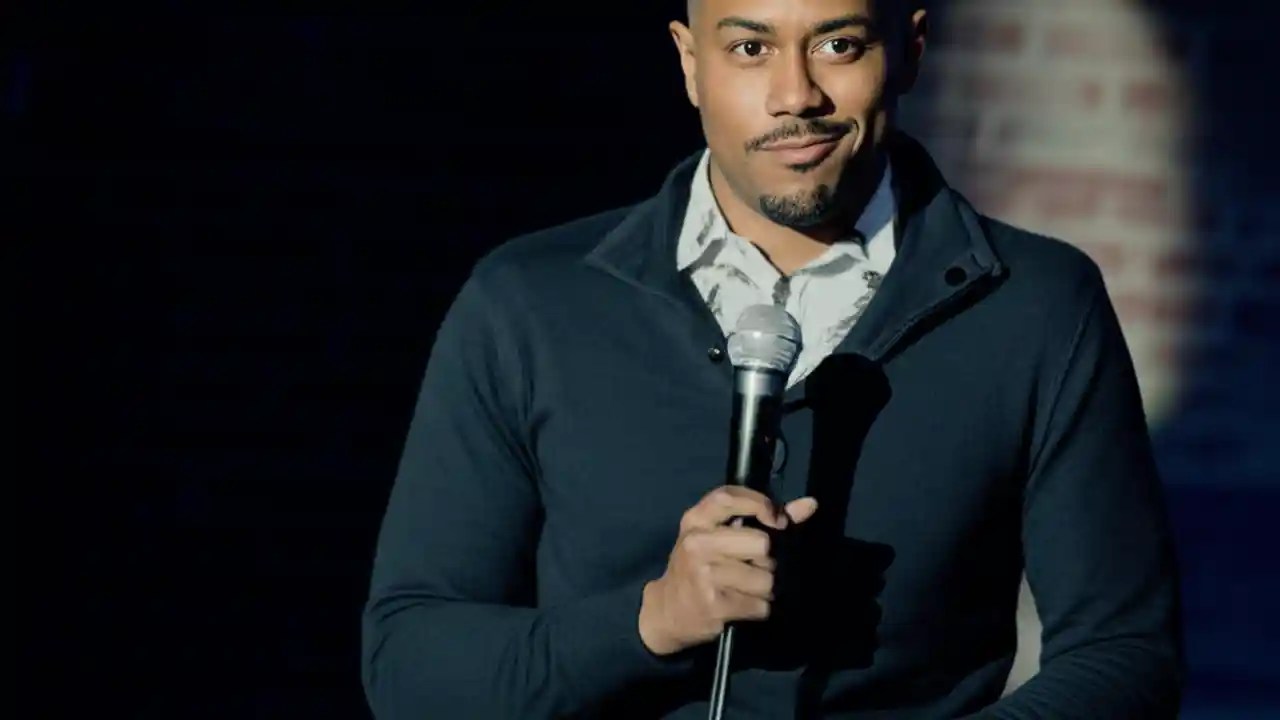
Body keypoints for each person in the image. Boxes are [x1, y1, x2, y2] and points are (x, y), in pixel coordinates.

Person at [360, 0, 1184, 716]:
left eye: (839, 44)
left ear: (911, 50)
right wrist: (654, 620)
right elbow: (410, 668)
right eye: (750, 48)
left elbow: (1124, 656)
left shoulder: (1037, 305)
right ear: (690, 63)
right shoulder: (528, 304)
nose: (797, 95)